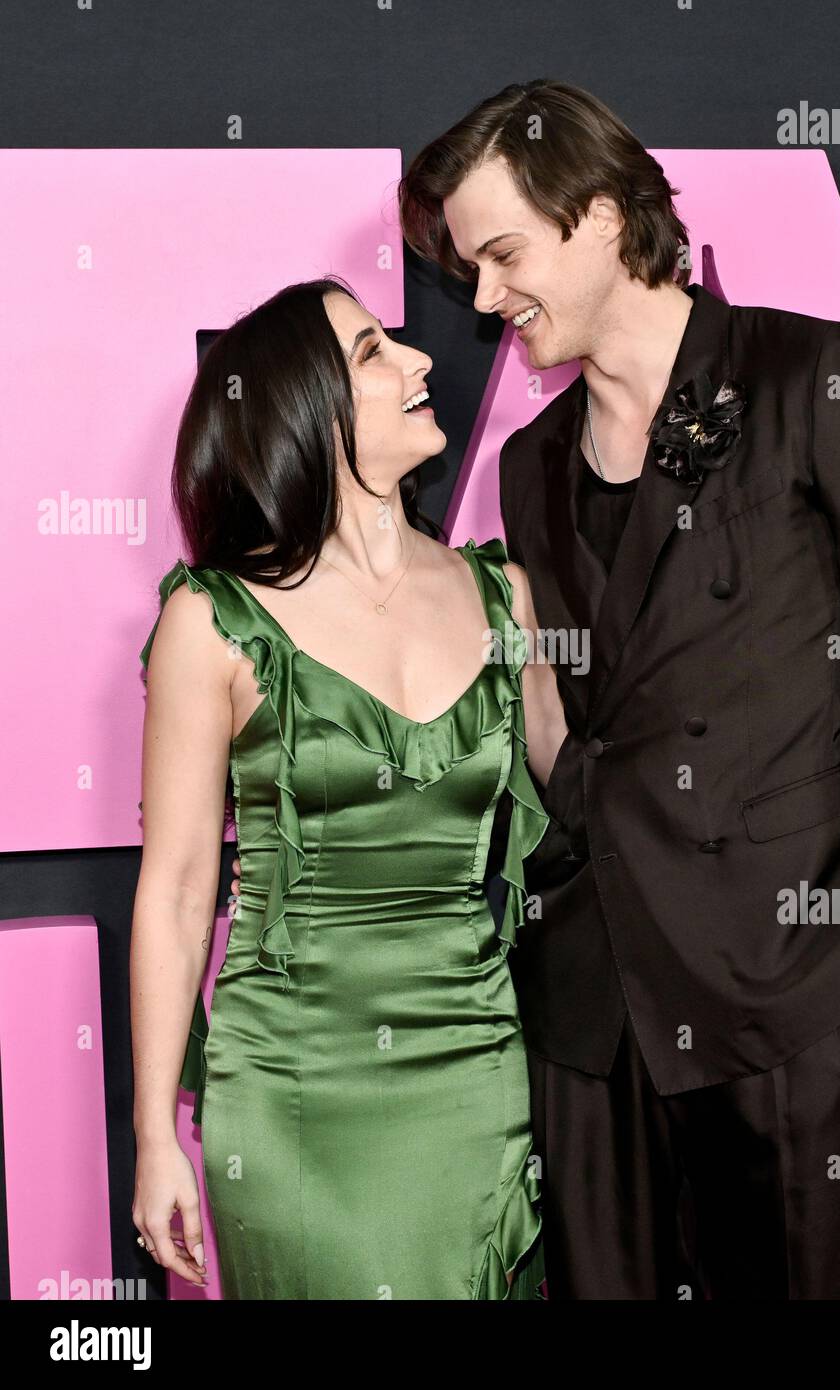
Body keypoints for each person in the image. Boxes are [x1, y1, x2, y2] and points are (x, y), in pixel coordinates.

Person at [392, 79, 840, 1299]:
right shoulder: (530, 461)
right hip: (594, 1011)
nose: (484, 297)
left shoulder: (814, 377)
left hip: (787, 982)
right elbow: (565, 714)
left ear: (600, 215)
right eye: (469, 270)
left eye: (501, 255)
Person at [131, 275, 564, 1299]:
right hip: (291, 1092)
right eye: (373, 351)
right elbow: (180, 885)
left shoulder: (503, 594)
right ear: (298, 411)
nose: (418, 362)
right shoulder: (215, 620)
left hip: (476, 1077)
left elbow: (590, 784)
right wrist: (155, 1131)